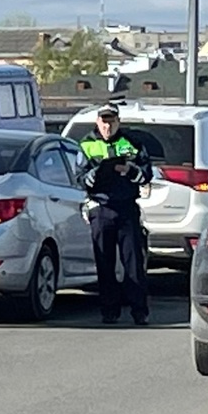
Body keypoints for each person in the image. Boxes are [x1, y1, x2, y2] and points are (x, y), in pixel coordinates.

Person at [78, 104, 152, 325]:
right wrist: (95, 174)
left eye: (111, 121)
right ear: (97, 122)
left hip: (127, 208)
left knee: (134, 263)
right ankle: (109, 311)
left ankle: (140, 311)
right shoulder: (86, 144)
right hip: (101, 209)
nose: (107, 126)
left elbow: (146, 173)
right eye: (103, 121)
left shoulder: (132, 143)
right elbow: (78, 176)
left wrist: (130, 170)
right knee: (104, 263)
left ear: (118, 121)